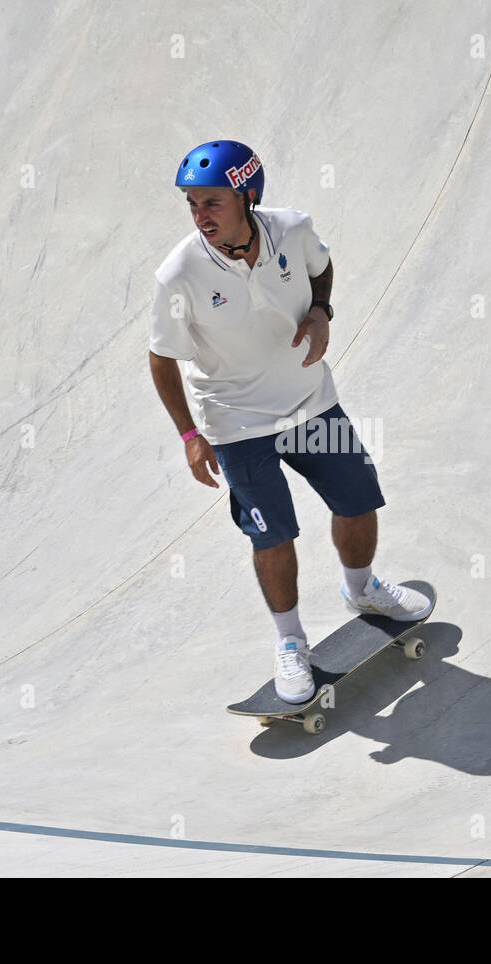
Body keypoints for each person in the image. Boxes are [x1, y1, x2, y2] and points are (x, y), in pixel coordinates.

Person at [148, 139, 432, 703]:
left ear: (247, 196)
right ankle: (291, 643)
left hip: (311, 404)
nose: (201, 216)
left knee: (358, 500)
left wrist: (321, 312)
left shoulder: (293, 230)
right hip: (236, 422)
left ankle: (362, 591)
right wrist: (189, 435)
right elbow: (161, 357)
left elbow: (321, 270)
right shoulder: (179, 274)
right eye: (192, 205)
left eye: (212, 203)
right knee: (272, 534)